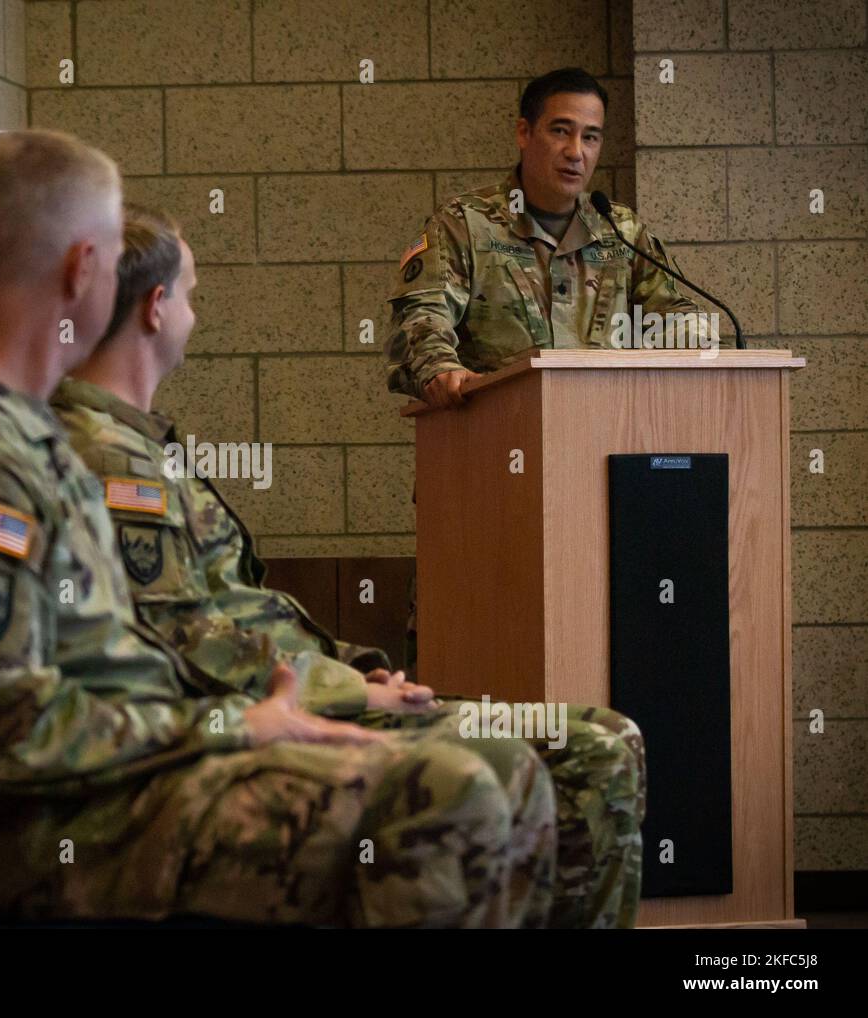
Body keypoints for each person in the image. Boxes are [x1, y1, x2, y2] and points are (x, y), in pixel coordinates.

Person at [0, 129, 557, 927]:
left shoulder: (23, 435)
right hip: (73, 833)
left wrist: (283, 715)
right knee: (449, 800)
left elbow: (129, 664)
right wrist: (240, 725)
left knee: (496, 771)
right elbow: (6, 729)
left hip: (147, 783)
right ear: (85, 269)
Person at [52, 204, 646, 928]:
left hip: (303, 695)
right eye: (193, 294)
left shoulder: (138, 446)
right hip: (230, 736)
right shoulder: (108, 459)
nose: (194, 315)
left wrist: (354, 669)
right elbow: (185, 639)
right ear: (155, 307)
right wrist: (350, 693)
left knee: (602, 741)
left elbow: (237, 614)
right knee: (555, 757)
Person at [385, 66, 727, 412]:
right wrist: (441, 369)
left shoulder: (620, 230)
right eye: (561, 131)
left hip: (612, 427)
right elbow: (421, 317)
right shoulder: (465, 224)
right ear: (524, 132)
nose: (576, 151)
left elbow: (671, 313)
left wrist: (702, 348)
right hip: (501, 432)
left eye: (591, 137)